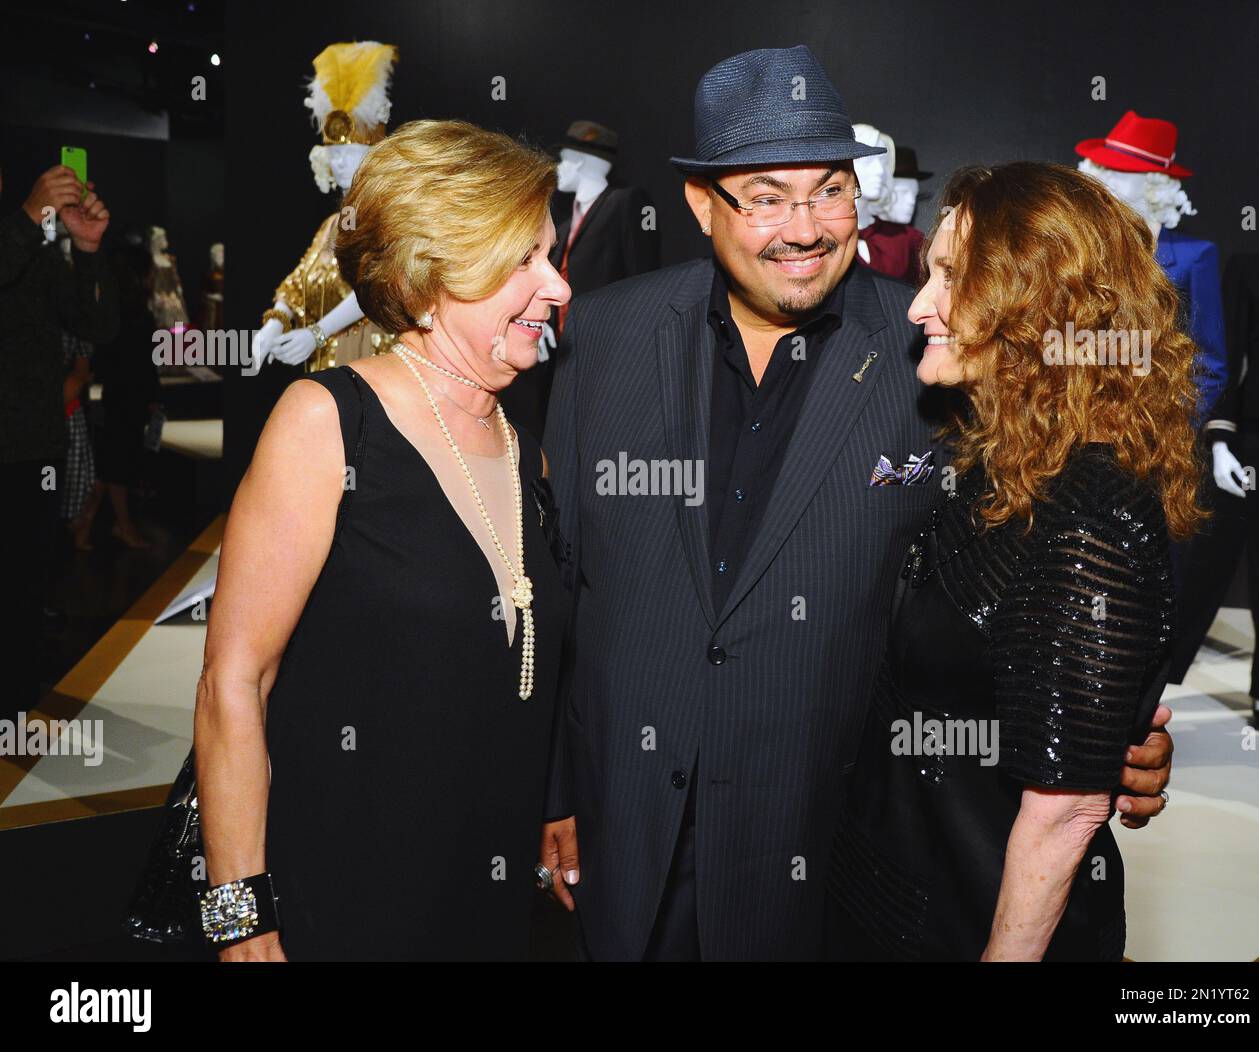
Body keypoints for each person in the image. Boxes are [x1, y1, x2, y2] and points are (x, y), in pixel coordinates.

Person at [537, 46, 1175, 961]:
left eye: (829, 190)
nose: (804, 228)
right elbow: (566, 587)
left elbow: (1022, 605)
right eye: (764, 195)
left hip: (826, 869)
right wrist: (559, 789)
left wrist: (1108, 736)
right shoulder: (603, 335)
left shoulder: (943, 368)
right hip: (622, 833)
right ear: (699, 204)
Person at [194, 119, 571, 960]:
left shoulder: (522, 443)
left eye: (553, 255)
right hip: (344, 891)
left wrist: (554, 802)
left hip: (488, 896)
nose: (557, 288)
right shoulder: (328, 424)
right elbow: (234, 680)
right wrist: (241, 919)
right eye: (524, 261)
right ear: (434, 269)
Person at [826, 162, 1204, 960]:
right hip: (891, 896)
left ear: (1038, 306)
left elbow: (1062, 813)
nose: (921, 304)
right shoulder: (995, 462)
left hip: (972, 928)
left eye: (952, 279)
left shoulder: (1088, 511)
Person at [0, 162, 115, 714]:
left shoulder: (33, 248)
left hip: (31, 448)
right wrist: (27, 217)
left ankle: (14, 714)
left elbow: (96, 325)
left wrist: (87, 248)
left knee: (24, 592)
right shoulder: (19, 235)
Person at [76, 232, 161, 550]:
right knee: (116, 467)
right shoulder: (136, 318)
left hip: (120, 398)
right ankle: (119, 527)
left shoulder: (118, 316)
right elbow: (142, 365)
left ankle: (86, 526)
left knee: (109, 466)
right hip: (128, 400)